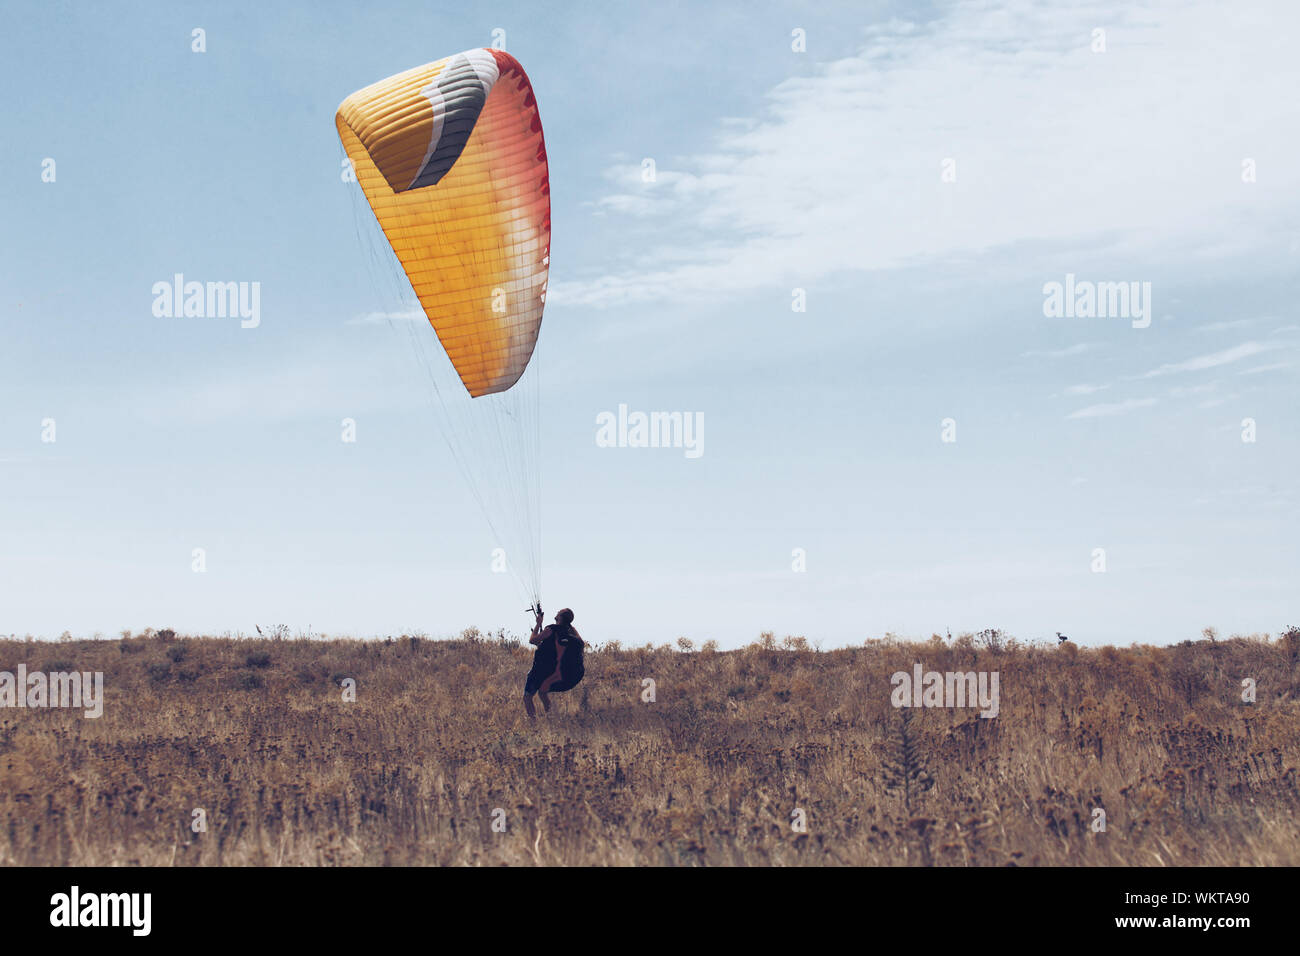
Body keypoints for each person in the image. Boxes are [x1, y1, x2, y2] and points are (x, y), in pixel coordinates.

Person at [524, 605, 584, 718]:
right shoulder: (568, 633)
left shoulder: (551, 629)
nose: (557, 612)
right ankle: (551, 718)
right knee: (542, 693)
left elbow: (532, 640)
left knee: (527, 697)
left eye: (559, 612)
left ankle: (533, 723)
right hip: (551, 671)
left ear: (560, 617)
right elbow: (580, 642)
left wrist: (538, 623)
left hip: (539, 669)